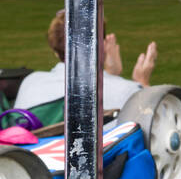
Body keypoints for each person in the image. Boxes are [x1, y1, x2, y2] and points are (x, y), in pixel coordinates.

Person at [15, 8, 157, 113]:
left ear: (55, 52)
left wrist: (111, 75)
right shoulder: (128, 92)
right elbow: (162, 129)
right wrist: (142, 84)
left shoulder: (30, 83)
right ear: (102, 45)